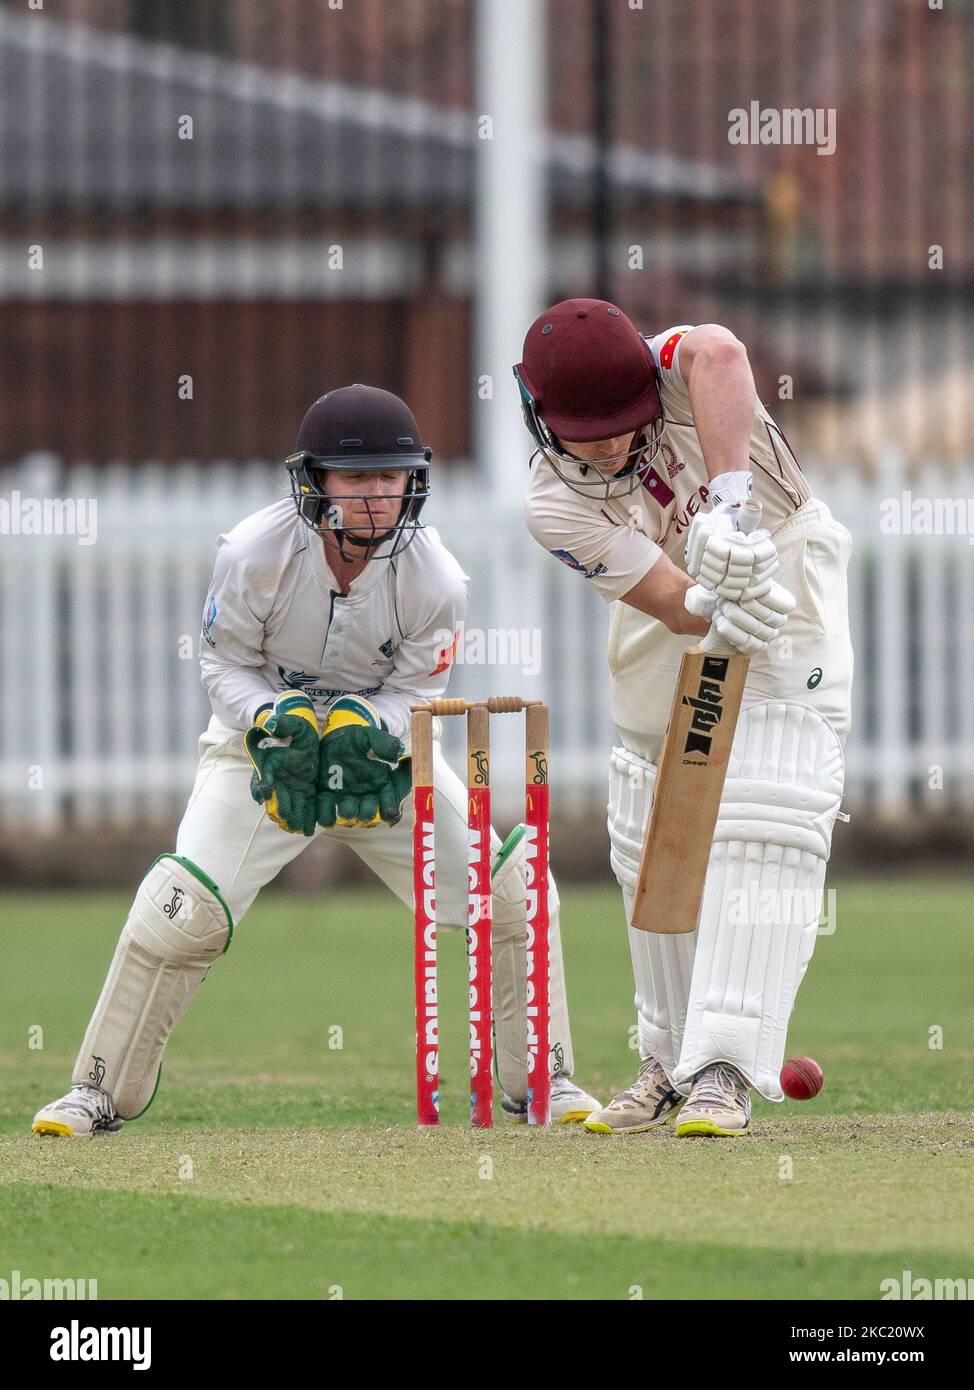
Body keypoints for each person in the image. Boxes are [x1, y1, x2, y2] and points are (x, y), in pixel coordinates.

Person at [32, 384, 599, 1138]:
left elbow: (420, 690)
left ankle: (544, 1085)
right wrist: (274, 717)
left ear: (413, 482)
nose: (374, 497)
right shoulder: (252, 553)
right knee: (182, 913)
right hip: (262, 756)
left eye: (390, 479)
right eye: (356, 478)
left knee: (513, 893)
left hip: (383, 764)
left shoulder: (437, 580)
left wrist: (369, 725)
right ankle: (96, 1092)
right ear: (316, 481)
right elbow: (222, 666)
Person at [515, 300, 853, 1137]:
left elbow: (723, 350)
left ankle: (728, 1065)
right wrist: (712, 592)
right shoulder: (551, 502)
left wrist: (733, 514)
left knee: (768, 807)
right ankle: (666, 1059)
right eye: (589, 434)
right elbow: (672, 605)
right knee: (644, 816)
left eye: (625, 425)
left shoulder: (674, 363)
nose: (614, 447)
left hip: (787, 567)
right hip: (675, 601)